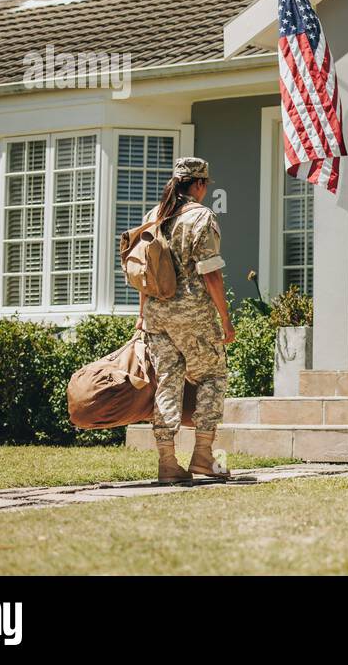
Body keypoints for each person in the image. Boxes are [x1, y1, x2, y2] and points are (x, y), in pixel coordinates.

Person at [137, 157, 236, 483]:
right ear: (199, 184)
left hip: (157, 315)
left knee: (168, 379)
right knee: (212, 376)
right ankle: (204, 457)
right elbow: (211, 274)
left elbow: (144, 274)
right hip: (192, 314)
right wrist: (225, 318)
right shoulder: (201, 218)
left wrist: (142, 315)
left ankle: (167, 463)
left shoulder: (154, 215)